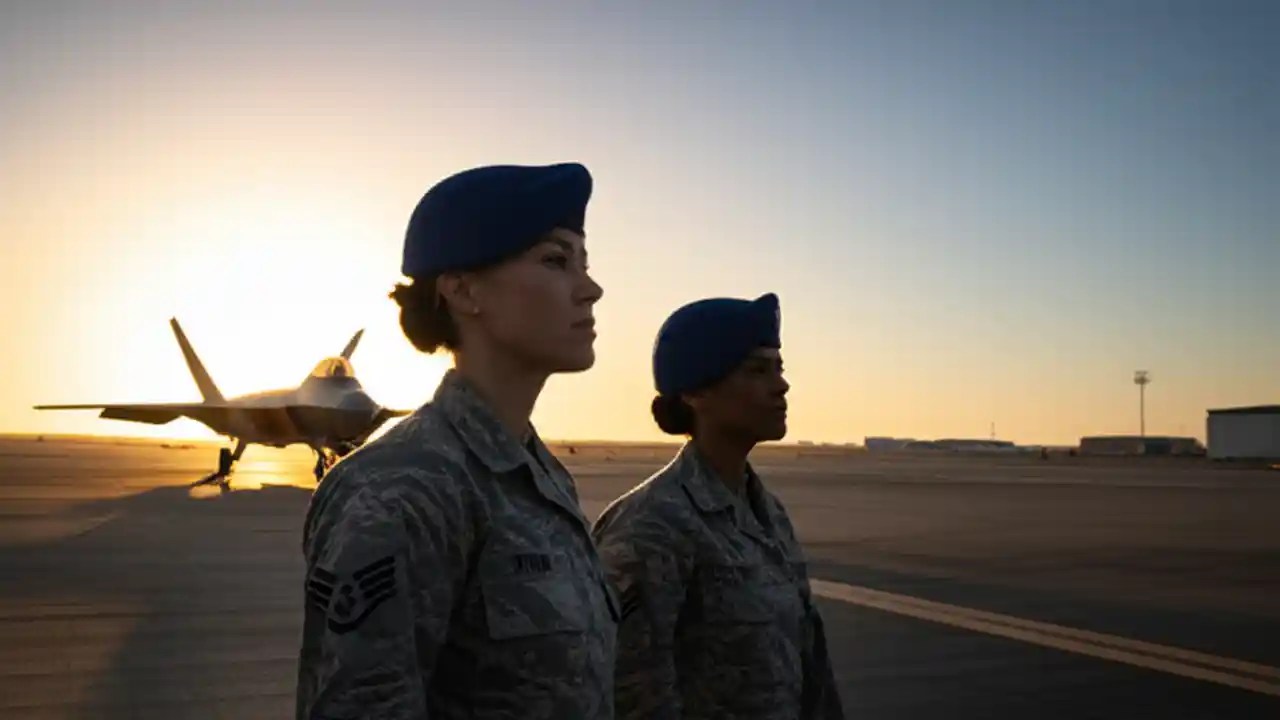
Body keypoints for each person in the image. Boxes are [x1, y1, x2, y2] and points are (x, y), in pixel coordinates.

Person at [296, 163, 618, 719]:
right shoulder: (398, 490)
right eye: (555, 260)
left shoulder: (539, 476)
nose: (591, 288)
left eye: (584, 264)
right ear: (464, 290)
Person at [592, 292, 844, 720]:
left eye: (779, 368)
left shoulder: (768, 515)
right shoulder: (651, 525)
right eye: (757, 370)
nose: (781, 384)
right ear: (696, 392)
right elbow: (632, 693)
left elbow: (811, 664)